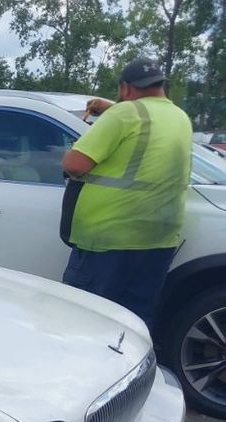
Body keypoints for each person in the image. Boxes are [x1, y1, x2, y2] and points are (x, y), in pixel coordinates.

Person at [60, 57, 193, 329]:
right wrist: (111, 109)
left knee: (86, 320)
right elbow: (145, 123)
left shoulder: (124, 114)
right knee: (134, 323)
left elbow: (74, 165)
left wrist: (111, 114)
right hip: (159, 239)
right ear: (161, 86)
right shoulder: (180, 117)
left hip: (110, 237)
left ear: (125, 88)